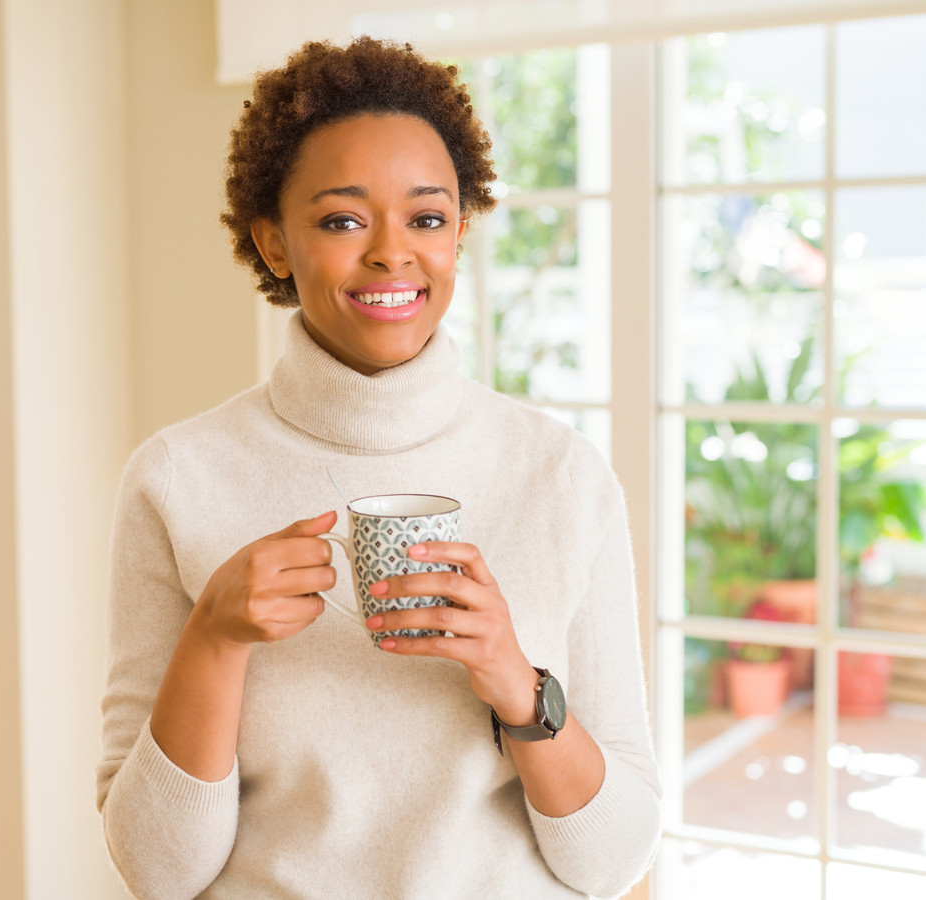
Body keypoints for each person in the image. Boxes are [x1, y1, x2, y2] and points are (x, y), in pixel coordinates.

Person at [97, 37, 661, 900]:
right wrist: (214, 637)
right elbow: (158, 872)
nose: (392, 253)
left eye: (426, 219)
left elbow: (613, 861)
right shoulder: (176, 479)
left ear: (458, 234)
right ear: (273, 243)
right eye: (342, 220)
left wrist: (515, 682)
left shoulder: (561, 476)